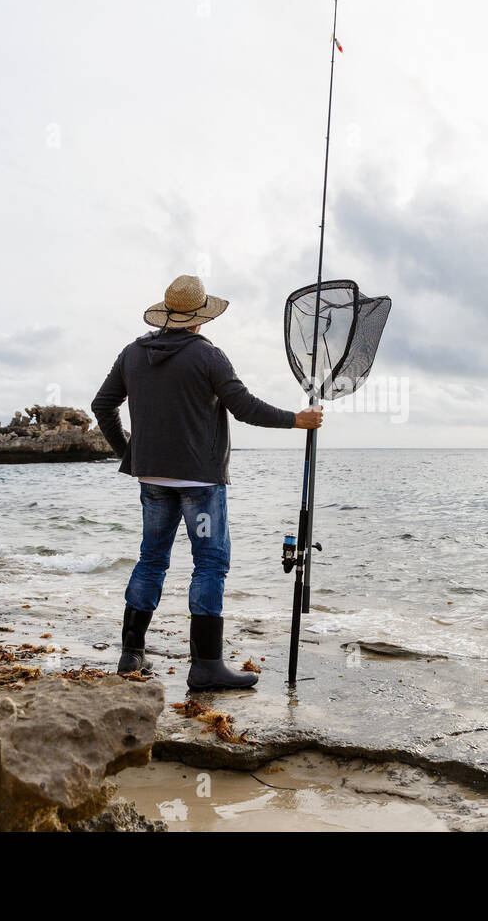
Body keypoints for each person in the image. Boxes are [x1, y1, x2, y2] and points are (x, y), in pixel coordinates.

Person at [91, 274, 322, 690]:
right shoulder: (207, 356)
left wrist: (128, 452)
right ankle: (206, 666)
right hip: (199, 483)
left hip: (153, 480)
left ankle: (130, 655)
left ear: (166, 315)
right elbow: (244, 407)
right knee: (210, 563)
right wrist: (296, 420)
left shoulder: (132, 353)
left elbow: (102, 405)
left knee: (151, 559)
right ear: (199, 318)